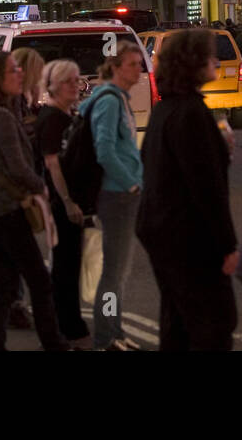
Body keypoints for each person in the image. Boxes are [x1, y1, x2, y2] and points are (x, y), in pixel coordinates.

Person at [137, 29, 238, 350]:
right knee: (213, 322)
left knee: (178, 321)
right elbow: (206, 188)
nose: (217, 61)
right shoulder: (192, 113)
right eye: (209, 55)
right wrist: (227, 246)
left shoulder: (166, 110)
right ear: (193, 62)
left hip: (162, 233)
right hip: (189, 239)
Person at [0, 51, 69, 351]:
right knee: (38, 279)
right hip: (9, 209)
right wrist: (42, 188)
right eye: (13, 71)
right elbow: (18, 166)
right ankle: (52, 341)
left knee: (7, 283)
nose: (20, 74)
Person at [80, 40, 145, 350]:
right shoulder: (109, 101)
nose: (139, 70)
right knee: (112, 271)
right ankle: (106, 335)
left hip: (123, 192)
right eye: (132, 64)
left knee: (119, 270)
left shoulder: (119, 98)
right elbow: (104, 149)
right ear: (116, 68)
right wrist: (131, 182)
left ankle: (115, 330)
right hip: (116, 194)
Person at [32, 58, 91, 349]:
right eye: (68, 81)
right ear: (53, 86)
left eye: (76, 81)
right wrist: (67, 202)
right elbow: (53, 162)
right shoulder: (52, 118)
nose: (75, 87)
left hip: (70, 200)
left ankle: (67, 322)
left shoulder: (67, 115)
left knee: (69, 265)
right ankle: (66, 325)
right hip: (60, 203)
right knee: (65, 266)